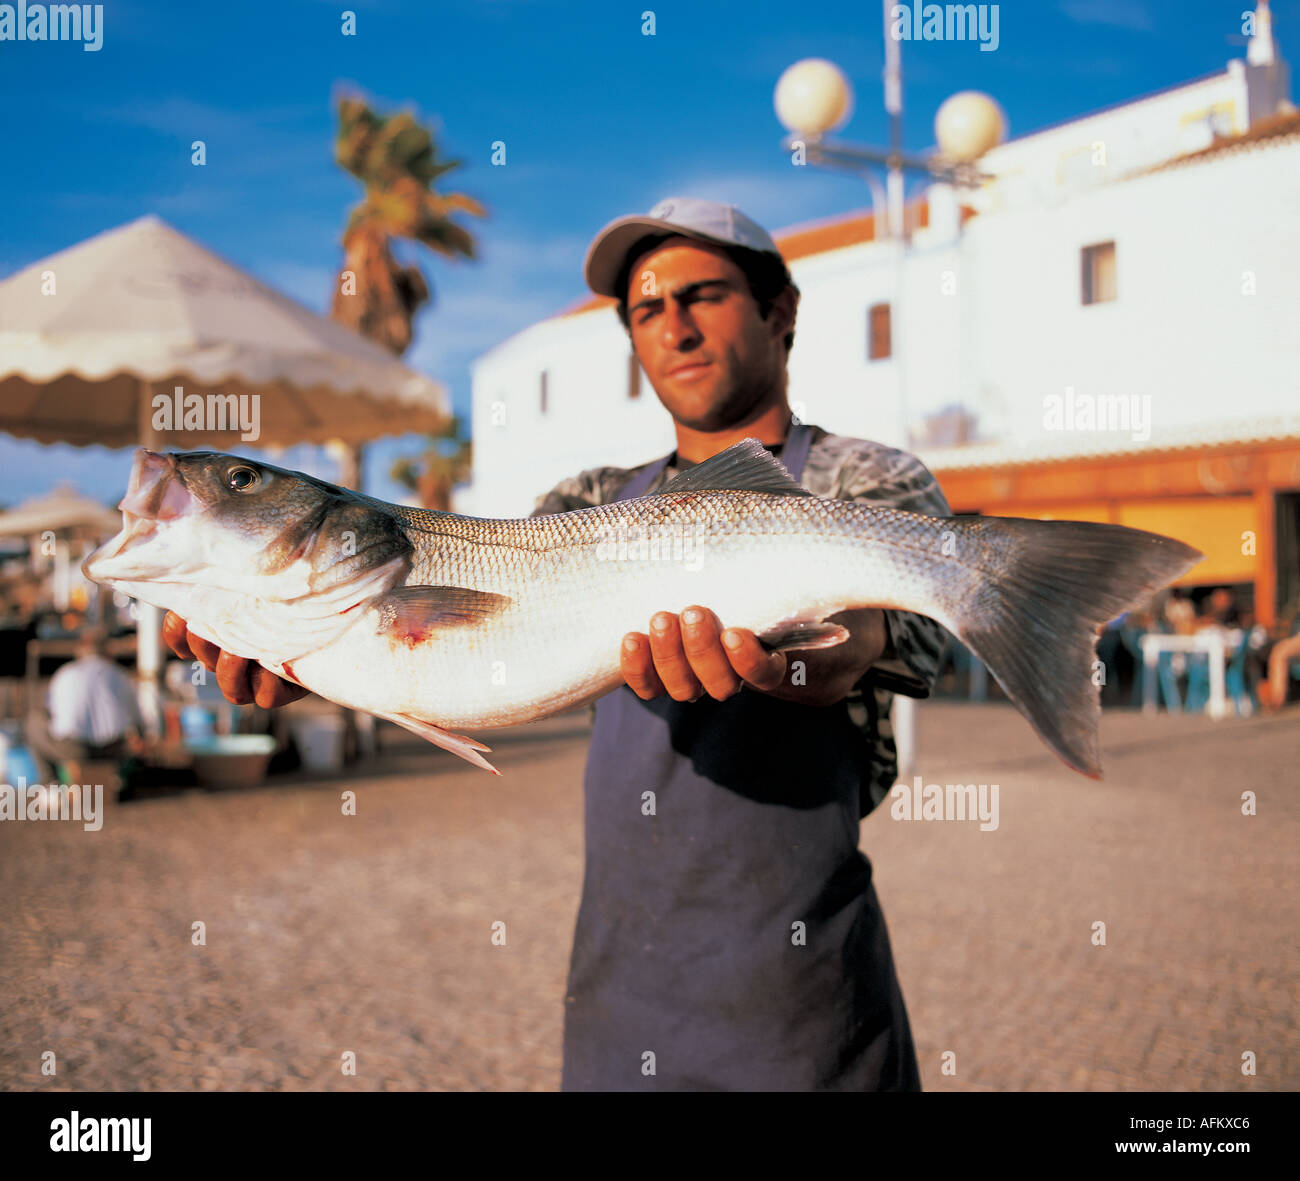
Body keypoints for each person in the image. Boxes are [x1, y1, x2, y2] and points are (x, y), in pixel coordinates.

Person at [163, 197, 952, 1091]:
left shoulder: (870, 479)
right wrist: (310, 652)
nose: (675, 327)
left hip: (805, 1005)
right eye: (647, 310)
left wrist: (789, 659)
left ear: (780, 312)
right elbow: (474, 643)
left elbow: (901, 640)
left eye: (703, 294)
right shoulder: (586, 500)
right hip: (619, 998)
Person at [26, 627, 143, 781]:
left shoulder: (66, 673)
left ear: (80, 651)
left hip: (76, 748)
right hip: (113, 749)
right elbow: (138, 720)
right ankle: (119, 779)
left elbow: (52, 713)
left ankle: (50, 784)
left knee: (32, 722)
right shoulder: (120, 675)